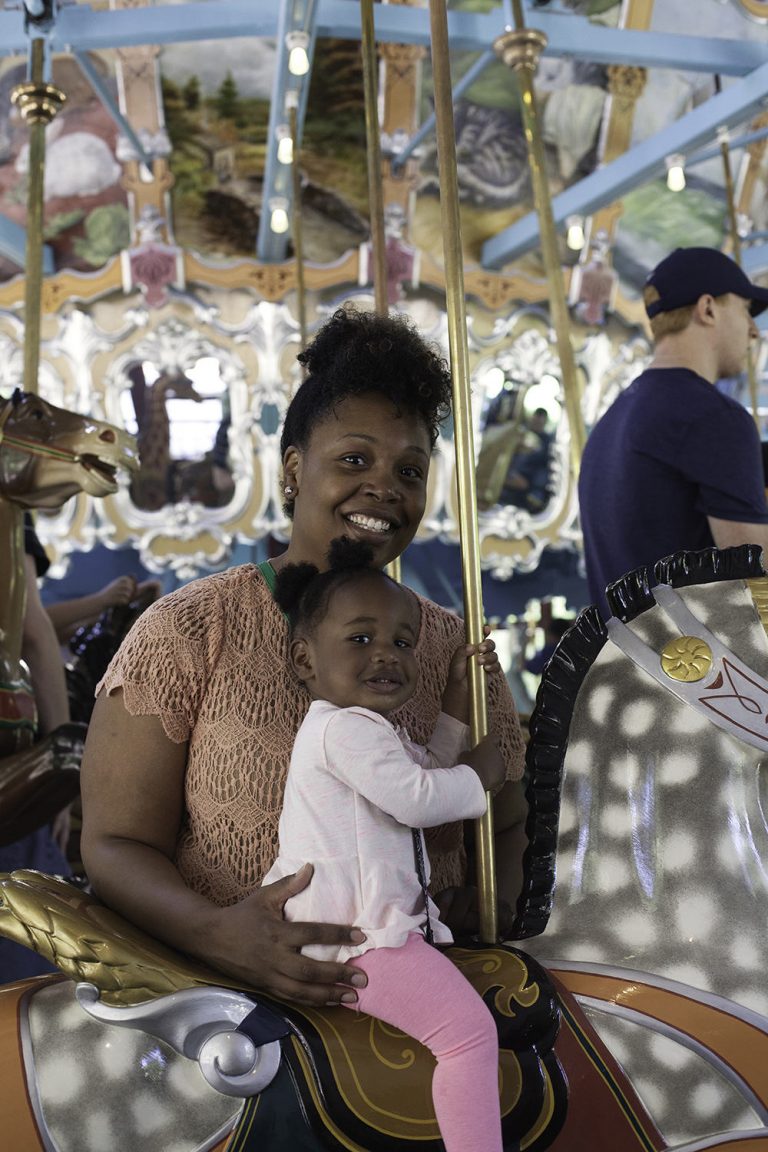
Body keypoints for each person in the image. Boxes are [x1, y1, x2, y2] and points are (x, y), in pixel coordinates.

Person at [80, 306, 527, 1008]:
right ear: (294, 470)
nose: (385, 486)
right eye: (355, 459)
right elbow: (113, 842)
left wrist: (478, 909)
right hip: (227, 1003)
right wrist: (218, 932)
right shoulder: (191, 629)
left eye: (410, 470)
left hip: (413, 1000)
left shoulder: (452, 649)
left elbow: (505, 824)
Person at [264, 537, 505, 1152]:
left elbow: (421, 769)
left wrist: (454, 706)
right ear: (304, 660)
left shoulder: (363, 731)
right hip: (358, 937)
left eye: (402, 643)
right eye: (360, 638)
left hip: (355, 929)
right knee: (469, 1036)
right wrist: (480, 780)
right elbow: (420, 799)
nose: (385, 655)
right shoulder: (343, 729)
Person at [578, 247, 768, 617]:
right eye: (746, 310)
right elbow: (756, 578)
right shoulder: (714, 416)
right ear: (708, 308)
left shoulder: (611, 421)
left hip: (627, 667)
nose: (753, 330)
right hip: (701, 670)